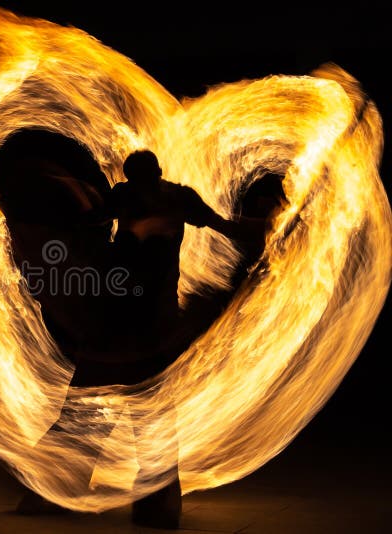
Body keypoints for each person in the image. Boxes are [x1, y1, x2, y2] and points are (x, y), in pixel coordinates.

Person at [16, 149, 265, 529]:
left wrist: (272, 227)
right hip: (131, 316)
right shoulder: (162, 197)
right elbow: (90, 226)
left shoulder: (153, 197)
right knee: (119, 403)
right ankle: (130, 500)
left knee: (112, 403)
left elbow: (90, 226)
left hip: (134, 318)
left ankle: (68, 490)